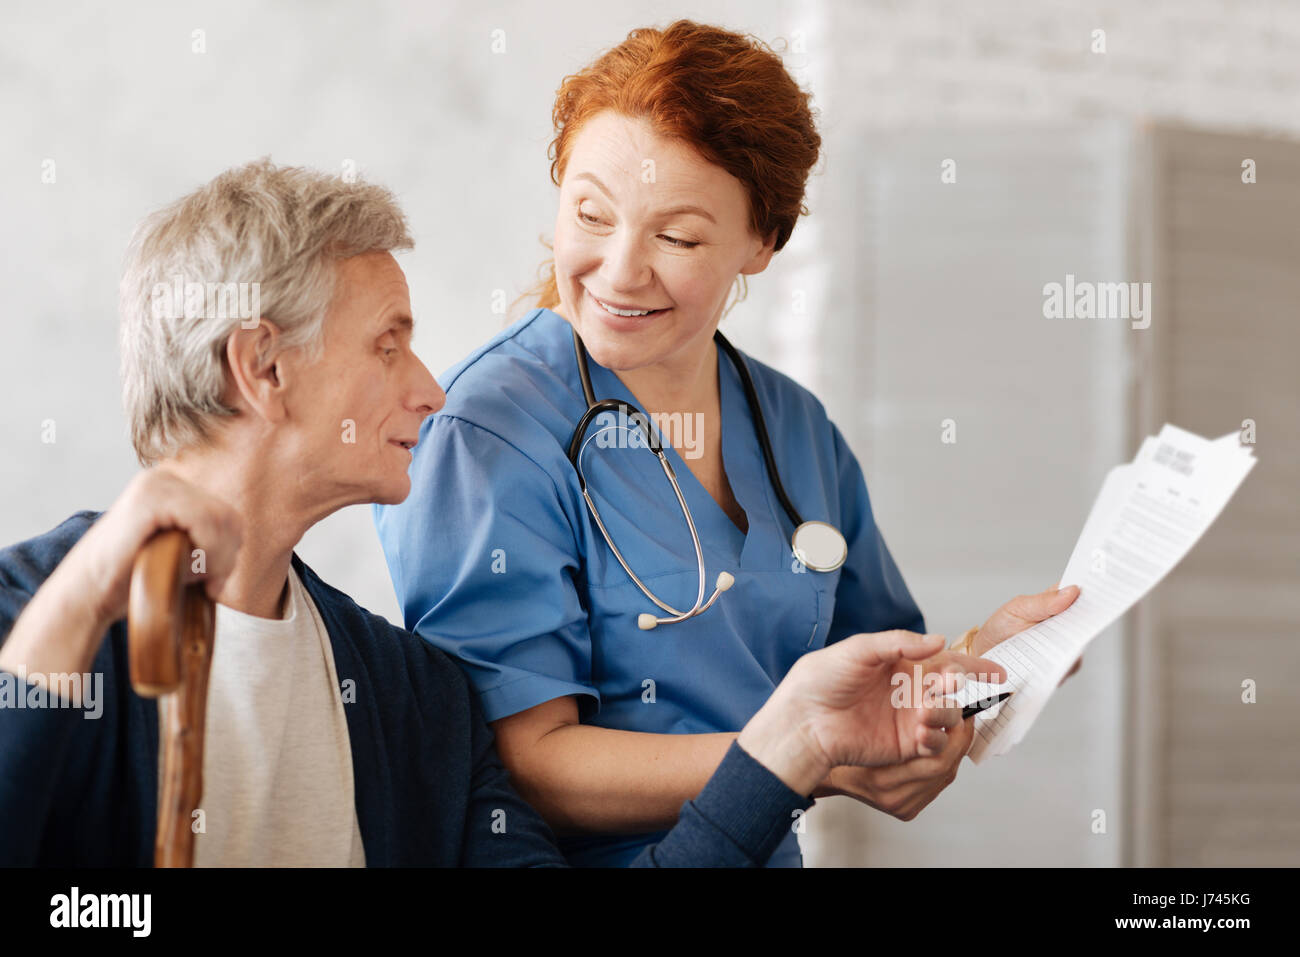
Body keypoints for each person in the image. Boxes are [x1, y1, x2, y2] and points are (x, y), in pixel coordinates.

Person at [0, 158, 1000, 867]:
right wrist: (75, 611)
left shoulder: (408, 703)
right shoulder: (25, 615)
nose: (433, 389)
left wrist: (788, 753)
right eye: (388, 343)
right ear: (262, 368)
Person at [374, 20, 1081, 867]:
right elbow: (518, 764)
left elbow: (871, 681)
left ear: (763, 242)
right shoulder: (489, 431)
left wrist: (971, 671)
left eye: (676, 237)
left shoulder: (794, 427)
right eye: (591, 214)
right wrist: (800, 752)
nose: (619, 269)